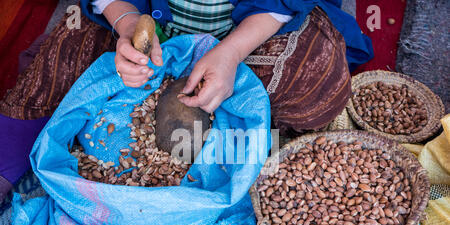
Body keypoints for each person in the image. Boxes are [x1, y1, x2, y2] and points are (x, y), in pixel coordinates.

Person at [0, 0, 373, 201]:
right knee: (62, 56)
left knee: (317, 79)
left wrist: (230, 54)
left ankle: (240, 131)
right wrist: (129, 26)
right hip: (146, 18)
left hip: (252, 29)